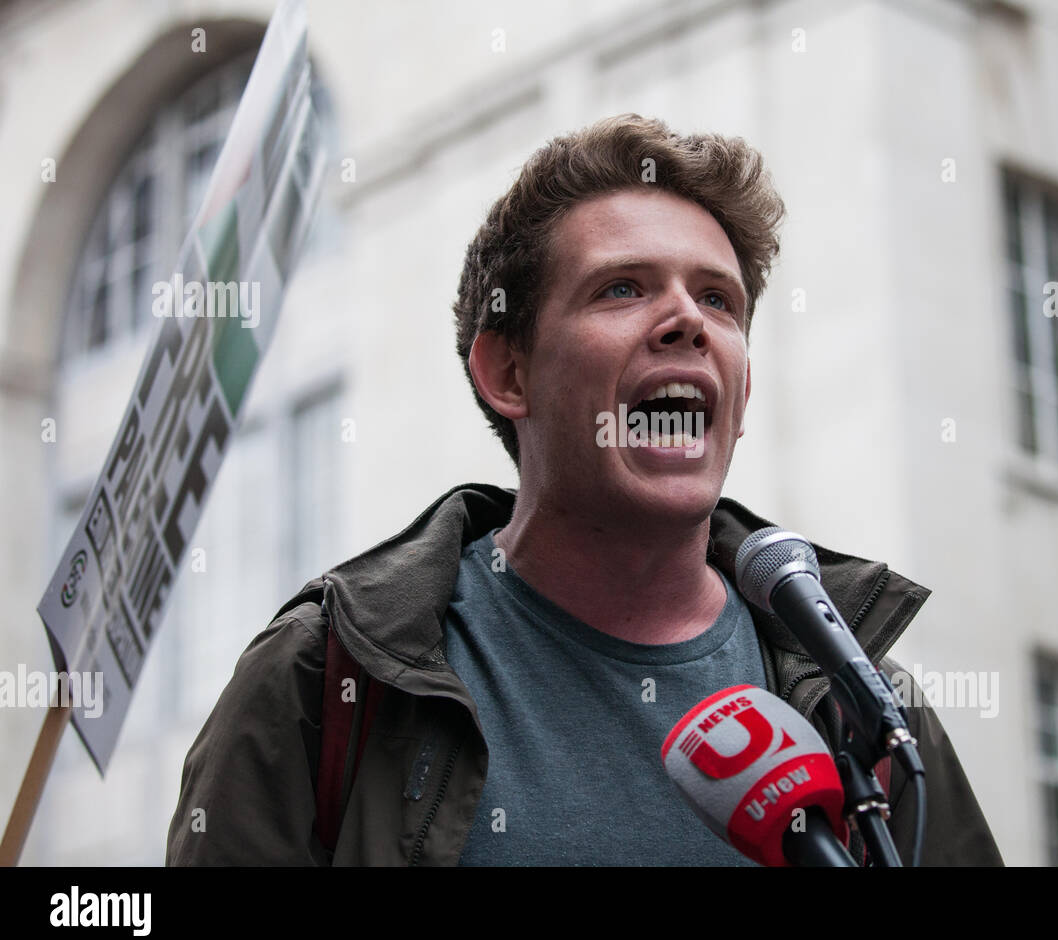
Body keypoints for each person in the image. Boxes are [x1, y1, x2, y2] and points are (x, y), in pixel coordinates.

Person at [166, 114, 1003, 866]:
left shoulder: (864, 703)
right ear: (508, 371)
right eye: (623, 288)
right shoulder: (329, 676)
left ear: (743, 395)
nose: (687, 321)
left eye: (719, 299)